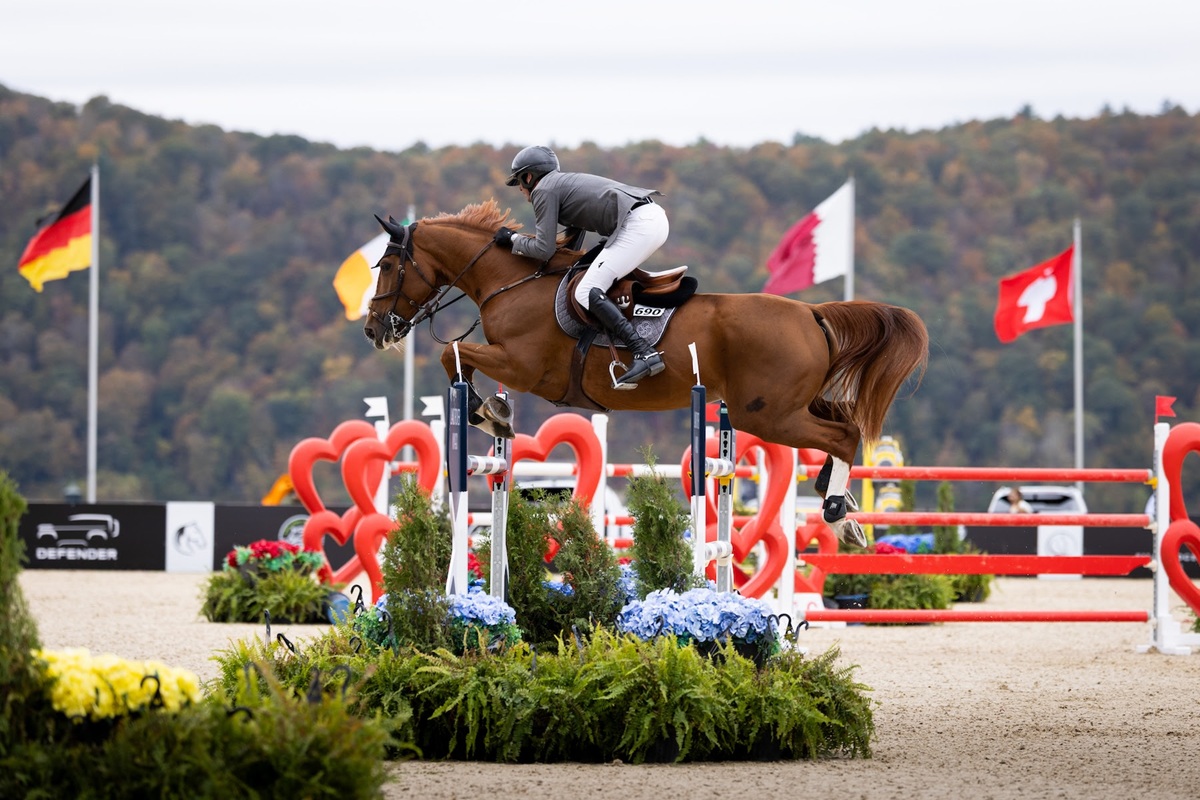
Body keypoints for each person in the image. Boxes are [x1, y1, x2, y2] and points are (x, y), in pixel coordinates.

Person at [492, 145, 669, 389]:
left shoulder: (543, 190)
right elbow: (572, 243)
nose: (521, 189)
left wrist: (512, 240)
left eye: (520, 182)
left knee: (585, 291)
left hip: (638, 224)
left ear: (529, 177)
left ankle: (643, 352)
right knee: (587, 278)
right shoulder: (561, 184)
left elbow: (544, 250)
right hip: (649, 218)